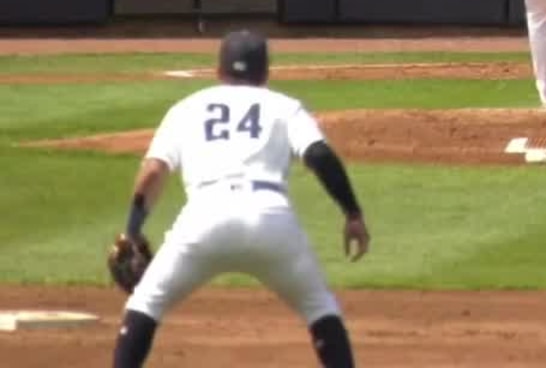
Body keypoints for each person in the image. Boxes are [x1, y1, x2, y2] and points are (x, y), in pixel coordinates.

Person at [108, 30, 369, 368]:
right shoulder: (284, 106)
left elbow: (153, 172)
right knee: (320, 307)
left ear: (219, 70)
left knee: (146, 304)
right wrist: (352, 214)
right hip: (271, 220)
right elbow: (319, 155)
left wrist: (132, 229)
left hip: (204, 220)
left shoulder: (187, 107)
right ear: (265, 73)